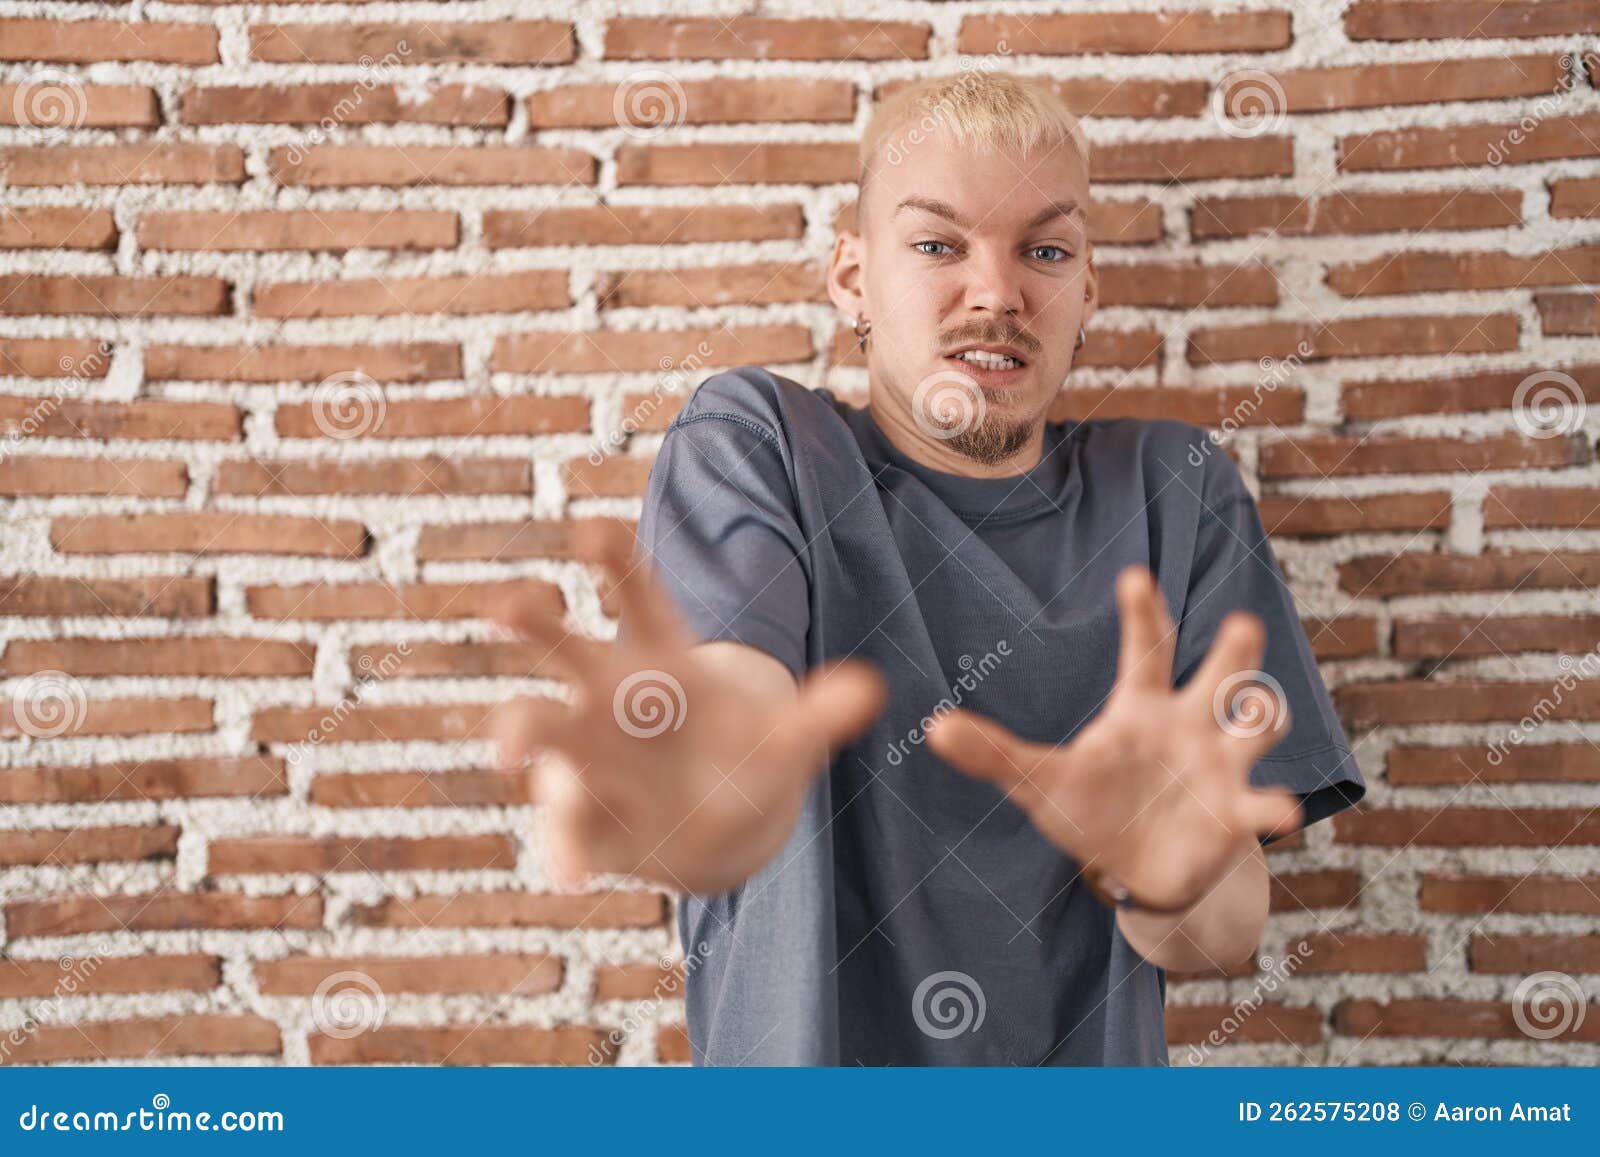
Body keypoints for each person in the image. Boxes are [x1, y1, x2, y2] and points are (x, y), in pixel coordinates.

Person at [492, 71, 1366, 1066]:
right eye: (938, 244)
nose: (997, 292)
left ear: (1089, 288)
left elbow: (1221, 929)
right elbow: (731, 708)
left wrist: (1171, 871)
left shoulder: (1176, 488)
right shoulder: (761, 442)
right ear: (853, 279)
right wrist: (701, 776)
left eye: (1044, 249)